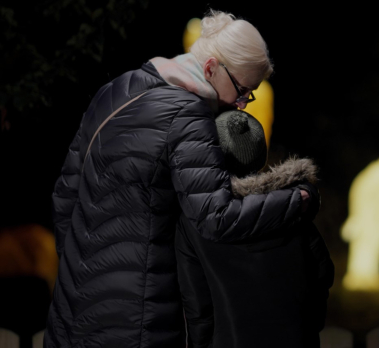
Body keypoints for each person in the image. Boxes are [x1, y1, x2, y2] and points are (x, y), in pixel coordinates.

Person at [44, 10, 317, 348]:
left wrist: (84, 272)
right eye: (243, 90)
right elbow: (216, 218)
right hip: (139, 321)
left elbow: (64, 198)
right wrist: (296, 200)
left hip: (71, 314)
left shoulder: (114, 92)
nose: (243, 105)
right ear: (210, 68)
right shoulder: (187, 115)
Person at [176, 110, 334, 348]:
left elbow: (197, 305)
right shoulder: (295, 207)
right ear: (260, 155)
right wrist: (308, 329)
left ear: (212, 155)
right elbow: (322, 274)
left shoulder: (194, 218)